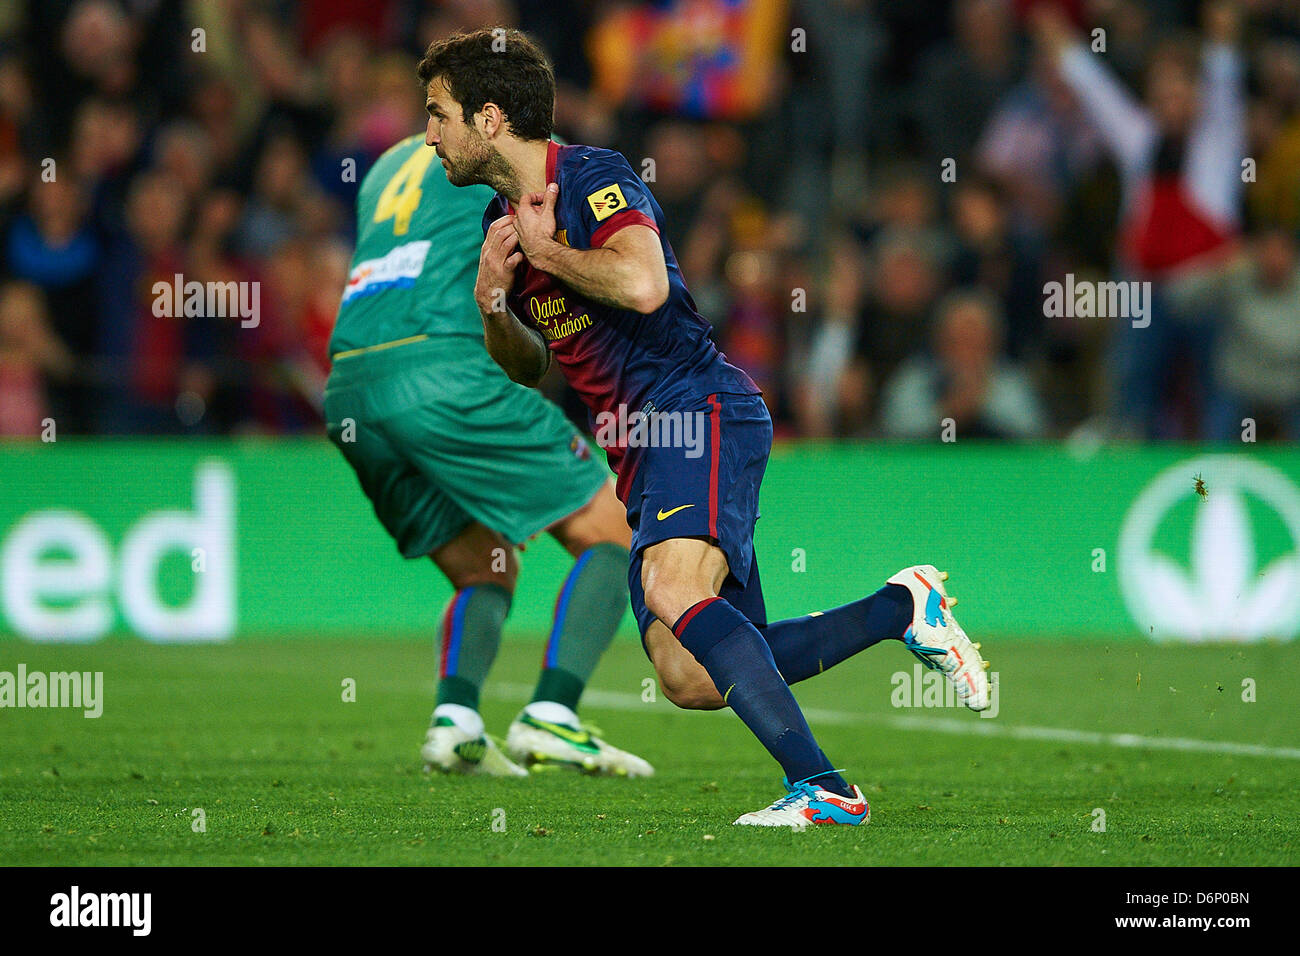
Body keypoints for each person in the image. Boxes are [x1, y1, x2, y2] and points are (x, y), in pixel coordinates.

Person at [421, 28, 990, 828]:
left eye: (438, 114)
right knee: (688, 675)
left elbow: (645, 283)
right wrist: (491, 299)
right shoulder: (501, 222)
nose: (428, 135)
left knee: (670, 587)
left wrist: (553, 253)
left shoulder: (590, 176)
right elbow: (527, 365)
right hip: (639, 453)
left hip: (694, 409)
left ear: (488, 117)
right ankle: (900, 610)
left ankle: (824, 788)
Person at [323, 129, 652, 779]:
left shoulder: (387, 166)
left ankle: (456, 725)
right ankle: (553, 716)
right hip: (445, 371)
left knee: (485, 569)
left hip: (352, 386)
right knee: (616, 525)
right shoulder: (508, 155)